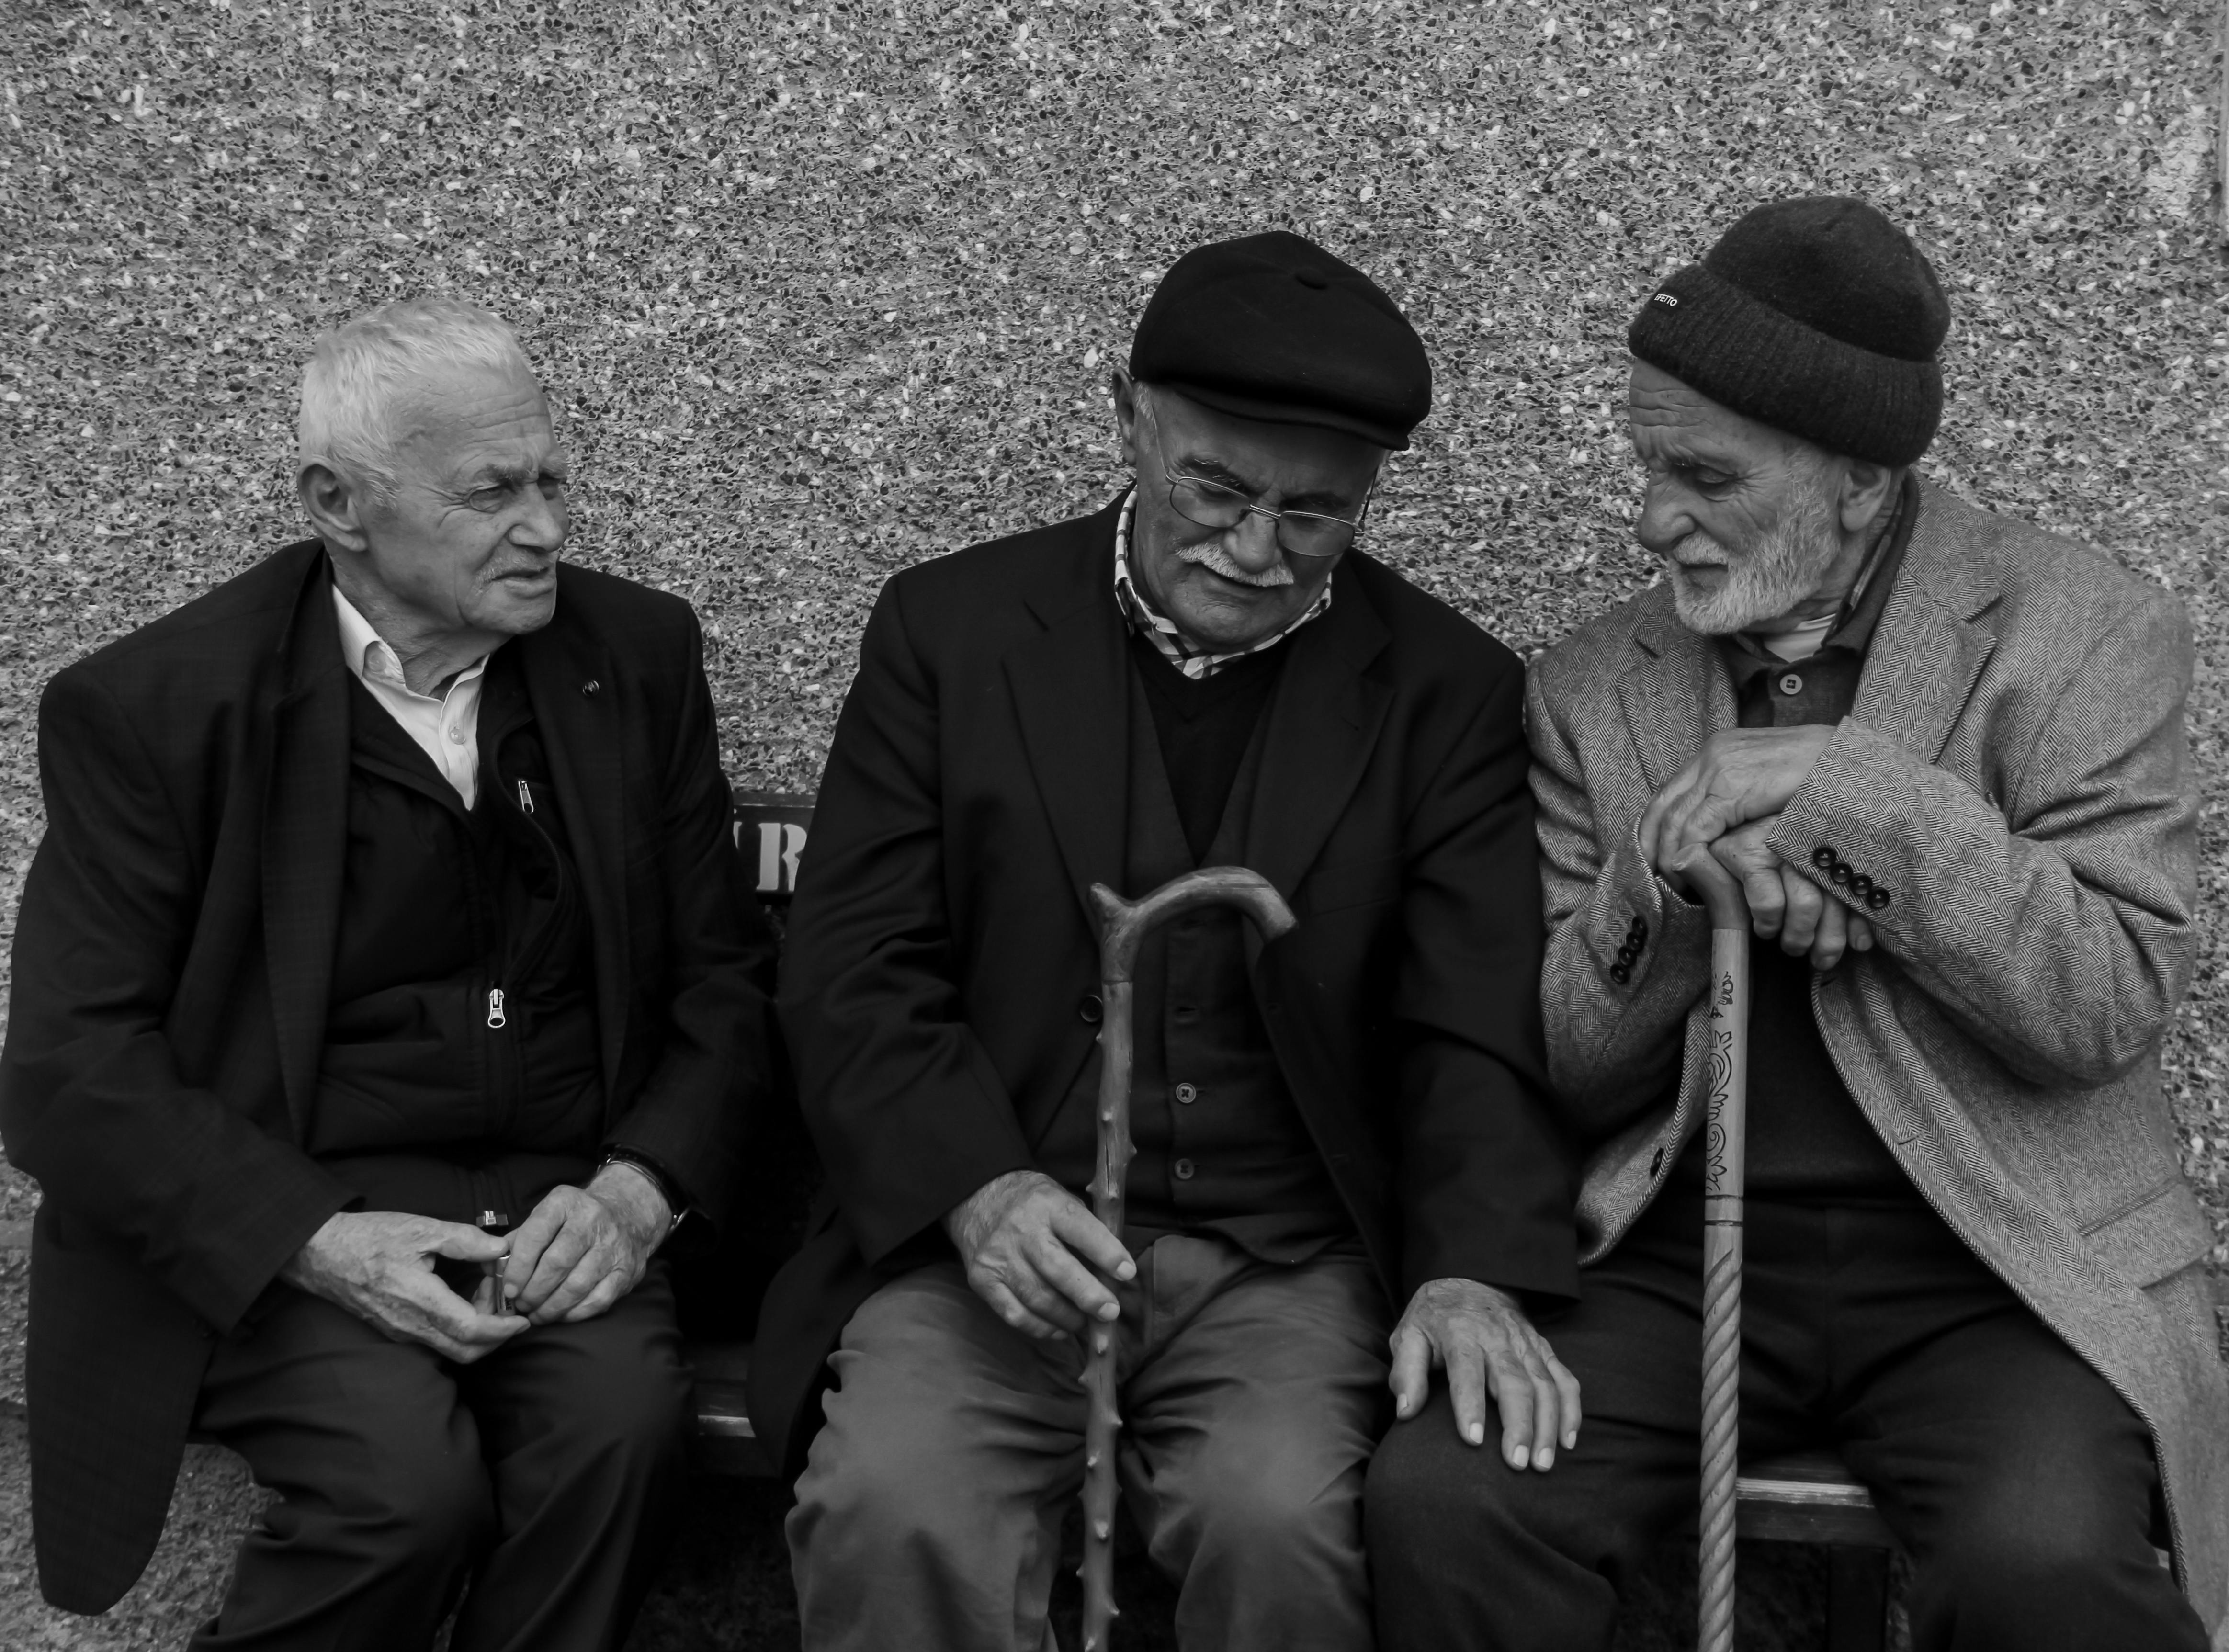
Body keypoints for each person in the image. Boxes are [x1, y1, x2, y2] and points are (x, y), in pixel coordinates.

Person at [1366, 196, 2229, 1651]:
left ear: (1857, 482)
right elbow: (1573, 1057)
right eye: (1647, 466)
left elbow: (2107, 999)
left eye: (1702, 475)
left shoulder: (2085, 631)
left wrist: (1855, 802)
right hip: (1676, 1254)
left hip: (1997, 1256)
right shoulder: (1595, 683)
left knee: (2044, 1565)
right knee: (1450, 1499)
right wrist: (1678, 871)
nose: (1652, 519)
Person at [749, 231, 1579, 1651]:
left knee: (1284, 1530)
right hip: (990, 1246)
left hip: (1283, 1265)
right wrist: (980, 1191)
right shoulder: (950, 631)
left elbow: (1469, 1019)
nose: (1258, 551)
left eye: (1317, 515)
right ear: (1127, 414)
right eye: (1215, 488)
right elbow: (854, 961)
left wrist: (1468, 1265)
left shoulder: (1446, 689)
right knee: (895, 1509)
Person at [0, 297, 780, 1651]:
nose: (546, 525)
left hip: (559, 1201)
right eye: (494, 491)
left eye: (552, 479)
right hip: (300, 1211)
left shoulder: (633, 661)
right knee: (398, 1488)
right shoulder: (160, 708)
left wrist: (639, 1190)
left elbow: (724, 981)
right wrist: (311, 1239)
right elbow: (69, 1070)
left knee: (618, 1430)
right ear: (337, 502)